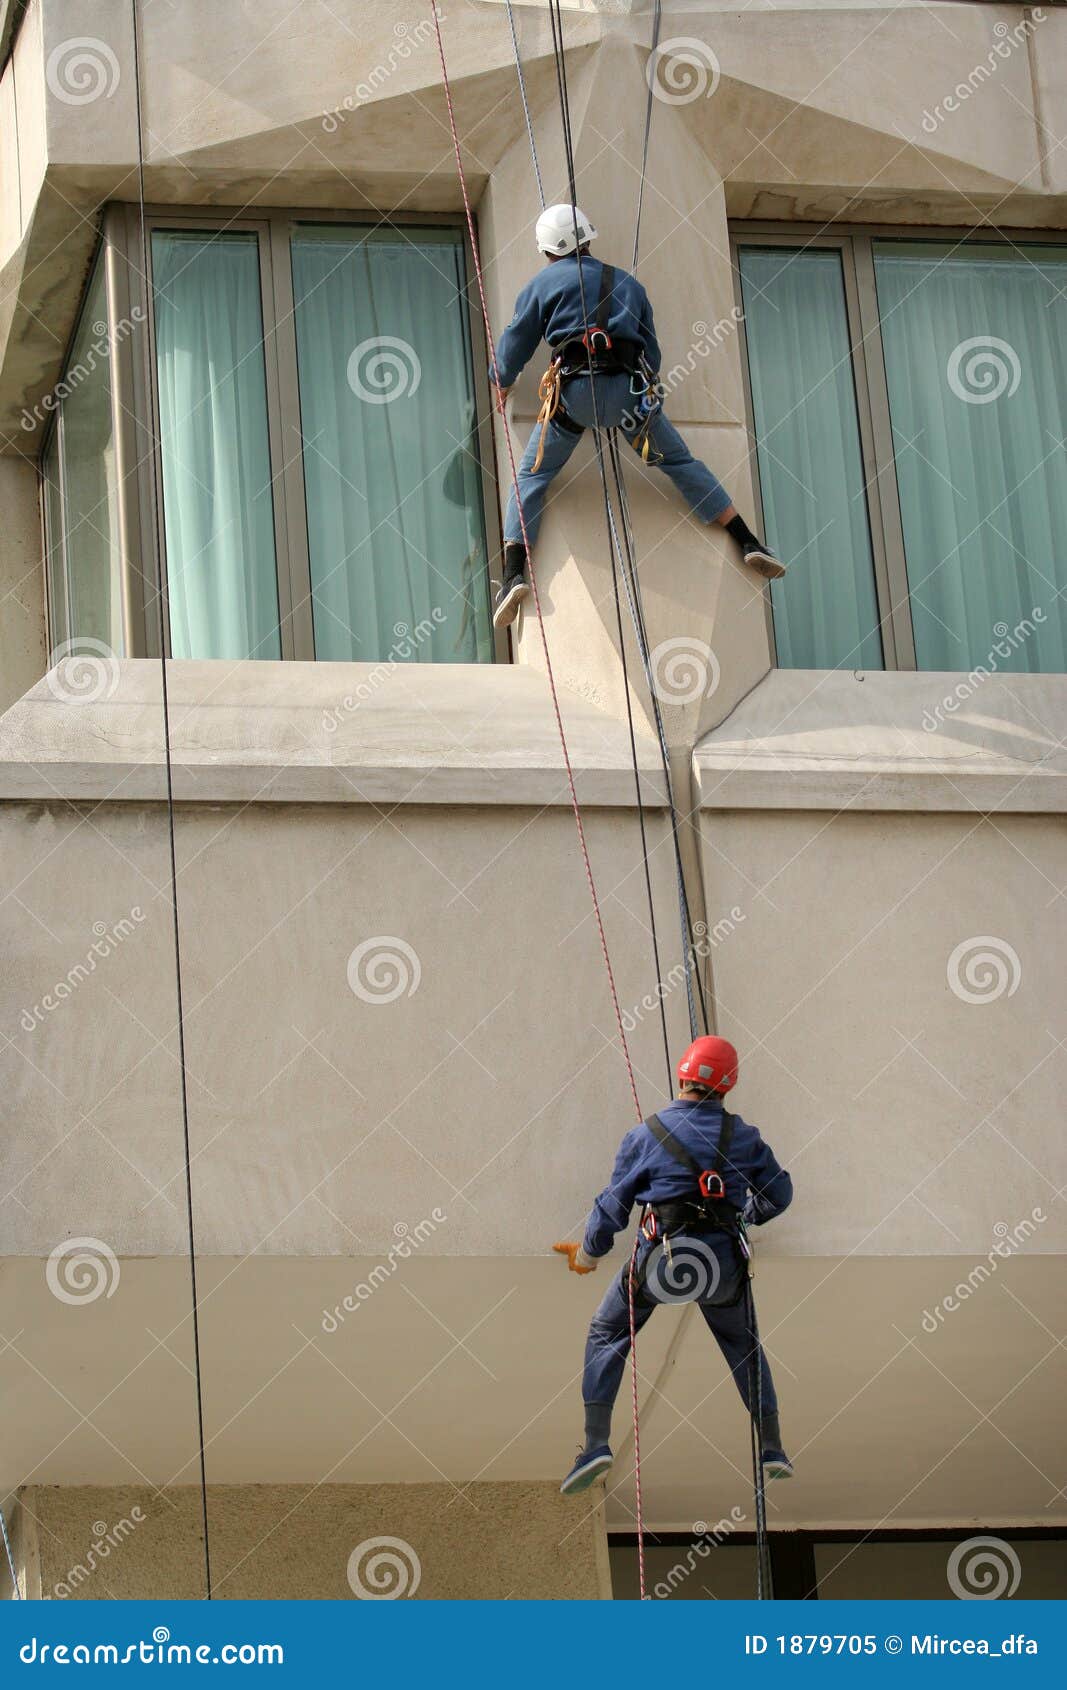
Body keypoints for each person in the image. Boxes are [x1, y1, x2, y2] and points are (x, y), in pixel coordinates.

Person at [490, 204, 786, 629]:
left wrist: (500, 382)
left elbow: (514, 344)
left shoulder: (543, 283)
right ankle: (748, 540)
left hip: (573, 397)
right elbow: (652, 354)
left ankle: (513, 574)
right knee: (682, 463)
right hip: (632, 398)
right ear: (588, 239)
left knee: (532, 477)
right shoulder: (629, 285)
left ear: (549, 250)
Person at [553, 1034, 793, 1497]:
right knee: (743, 1346)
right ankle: (773, 1447)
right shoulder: (743, 1137)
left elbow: (611, 1209)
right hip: (721, 1269)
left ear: (682, 1075)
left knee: (608, 1332)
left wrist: (587, 1255)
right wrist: (745, 1215)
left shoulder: (646, 1135)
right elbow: (780, 1194)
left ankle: (596, 1444)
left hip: (661, 1266)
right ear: (728, 1086)